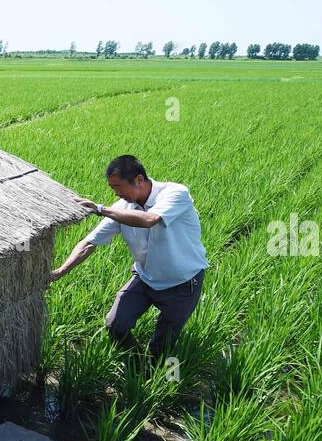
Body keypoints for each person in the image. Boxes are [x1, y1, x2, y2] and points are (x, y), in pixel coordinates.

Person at [50, 155, 209, 361]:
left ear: (139, 180)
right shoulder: (122, 209)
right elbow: (90, 242)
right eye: (112, 188)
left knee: (162, 345)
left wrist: (101, 209)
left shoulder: (175, 193)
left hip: (182, 283)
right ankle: (136, 365)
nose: (116, 193)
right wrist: (62, 270)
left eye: (119, 186)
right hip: (145, 278)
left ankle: (155, 375)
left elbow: (150, 219)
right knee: (116, 324)